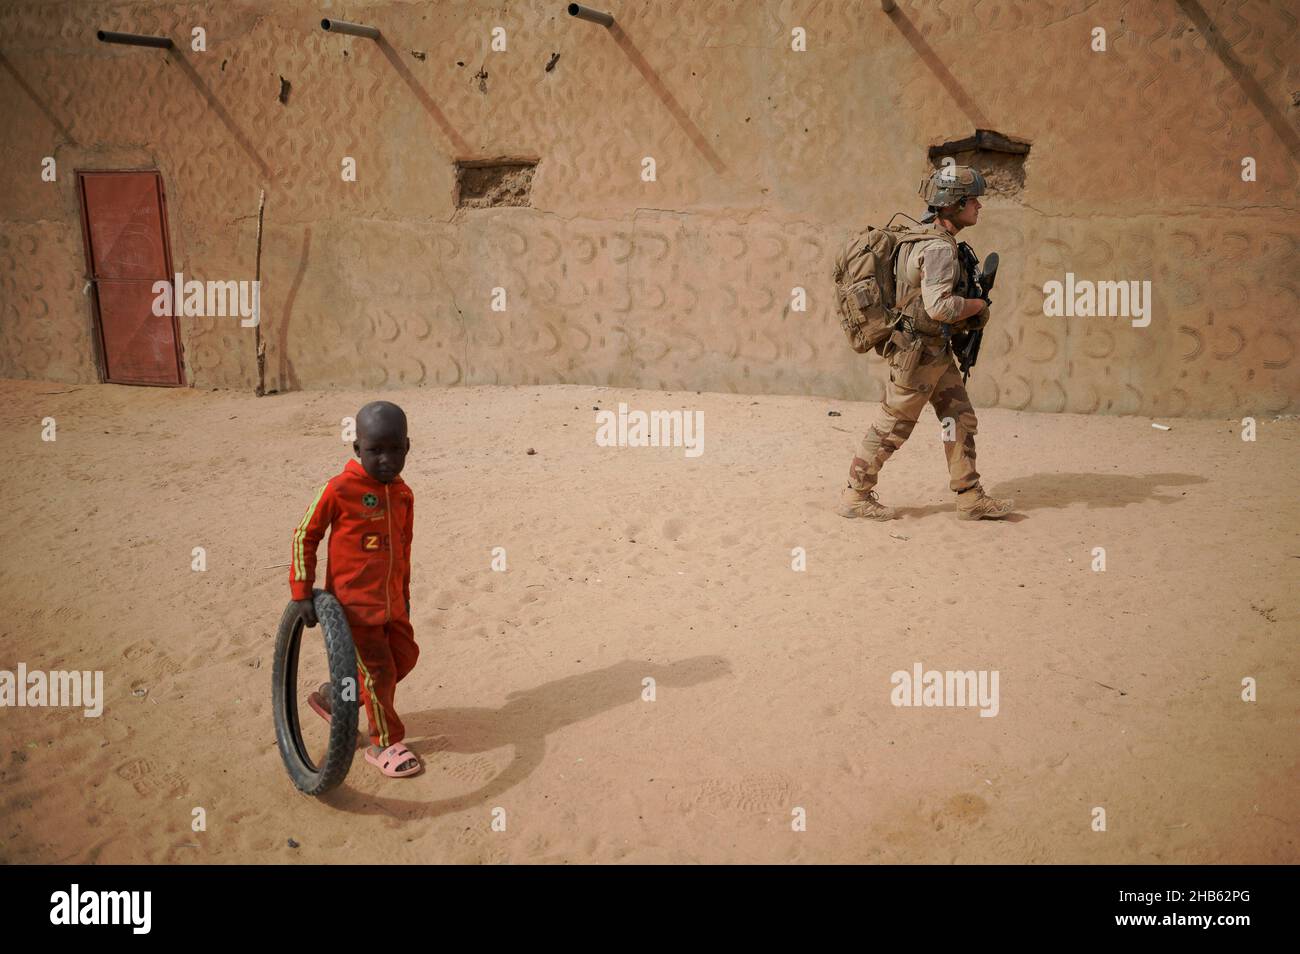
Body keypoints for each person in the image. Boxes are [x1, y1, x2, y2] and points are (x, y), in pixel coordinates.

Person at [839, 164, 1015, 521]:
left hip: (932, 351)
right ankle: (856, 494)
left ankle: (968, 495)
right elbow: (940, 306)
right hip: (918, 354)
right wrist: (978, 305)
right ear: (954, 204)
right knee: (894, 424)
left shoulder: (922, 235)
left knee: (959, 416)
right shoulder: (938, 249)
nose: (978, 207)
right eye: (973, 201)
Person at [290, 400, 422, 777]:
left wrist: (405, 598)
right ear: (356, 449)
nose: (386, 459)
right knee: (379, 673)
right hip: (353, 610)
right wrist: (302, 591)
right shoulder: (340, 489)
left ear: (408, 447)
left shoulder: (402, 494)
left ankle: (338, 700)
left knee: (404, 659)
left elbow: (404, 551)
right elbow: (305, 535)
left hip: (392, 604)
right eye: (375, 450)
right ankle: (385, 742)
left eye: (395, 449)